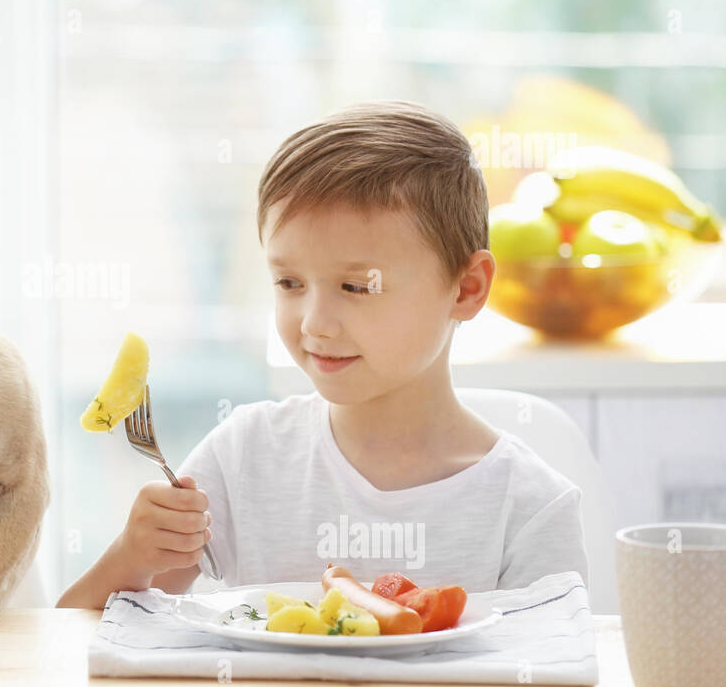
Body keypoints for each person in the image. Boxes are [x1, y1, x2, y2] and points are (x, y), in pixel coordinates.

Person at [57, 101, 590, 608]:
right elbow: (70, 643)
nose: (313, 322)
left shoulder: (529, 508)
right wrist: (133, 555)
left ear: (466, 288)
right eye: (289, 282)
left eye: (357, 287)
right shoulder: (243, 458)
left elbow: (554, 684)